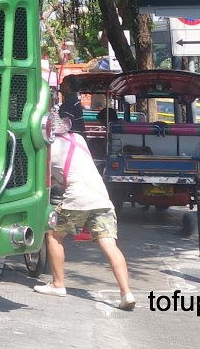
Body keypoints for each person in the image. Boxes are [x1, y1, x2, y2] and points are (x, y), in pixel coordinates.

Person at [33, 114, 136, 310]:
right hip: (101, 196)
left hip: (78, 196)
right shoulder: (78, 139)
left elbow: (47, 177)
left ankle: (57, 284)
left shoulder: (49, 149)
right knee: (110, 245)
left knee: (54, 234)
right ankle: (126, 293)